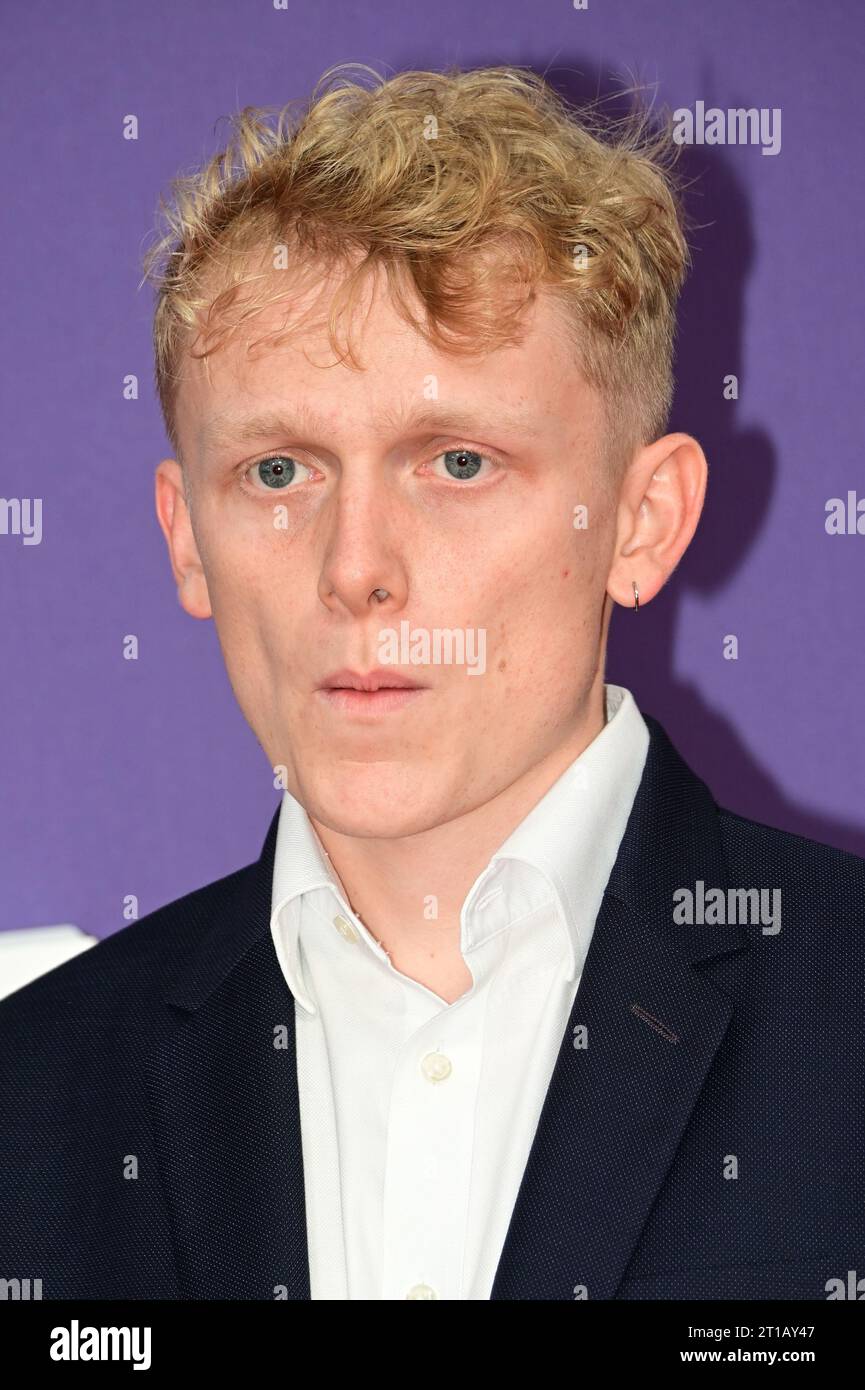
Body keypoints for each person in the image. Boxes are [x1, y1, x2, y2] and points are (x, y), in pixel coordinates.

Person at [1, 64, 862, 1302]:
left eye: (456, 460)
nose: (355, 572)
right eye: (279, 472)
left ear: (642, 519)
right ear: (185, 535)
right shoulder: (28, 1099)